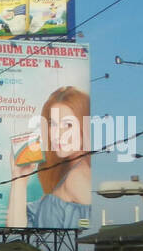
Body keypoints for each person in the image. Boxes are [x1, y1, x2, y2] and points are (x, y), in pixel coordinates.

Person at [6, 87, 91, 229]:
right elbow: (16, 229)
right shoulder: (66, 171)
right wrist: (19, 178)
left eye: (68, 125)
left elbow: (88, 224)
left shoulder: (77, 177)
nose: (58, 134)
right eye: (53, 124)